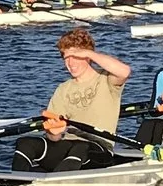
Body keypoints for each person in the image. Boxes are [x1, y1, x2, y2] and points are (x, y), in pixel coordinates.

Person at [11, 26, 132, 172]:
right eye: (66, 58)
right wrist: (54, 132)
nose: (70, 63)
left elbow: (125, 71)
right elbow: (53, 137)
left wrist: (88, 52)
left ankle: (56, 184)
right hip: (67, 146)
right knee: (25, 143)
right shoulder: (63, 89)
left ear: (87, 56)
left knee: (81, 147)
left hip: (99, 149)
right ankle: (14, 184)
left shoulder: (106, 79)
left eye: (75, 56)